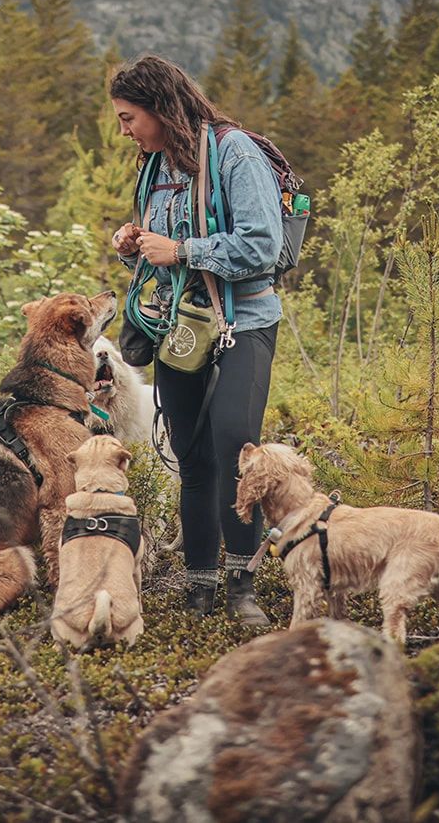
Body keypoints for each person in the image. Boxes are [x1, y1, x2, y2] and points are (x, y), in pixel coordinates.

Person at [108, 54, 283, 624]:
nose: (124, 128)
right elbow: (166, 240)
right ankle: (200, 587)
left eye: (130, 116)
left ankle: (243, 586)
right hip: (177, 329)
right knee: (192, 458)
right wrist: (136, 240)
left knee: (236, 452)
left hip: (242, 324)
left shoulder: (235, 152)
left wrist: (183, 251)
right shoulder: (155, 164)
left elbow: (262, 246)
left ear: (160, 107)